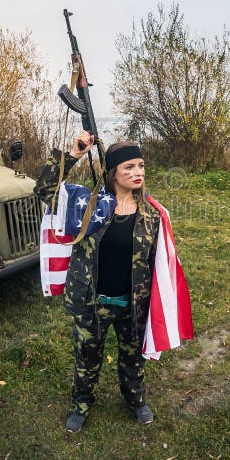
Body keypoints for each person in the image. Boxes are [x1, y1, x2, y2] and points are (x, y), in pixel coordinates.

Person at [34, 131, 162, 433]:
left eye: (140, 165)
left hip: (133, 304)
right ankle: (82, 403)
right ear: (113, 172)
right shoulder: (87, 205)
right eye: (129, 167)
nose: (137, 172)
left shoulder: (151, 215)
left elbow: (158, 263)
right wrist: (75, 154)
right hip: (91, 302)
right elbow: (44, 189)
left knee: (133, 359)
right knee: (86, 360)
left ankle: (135, 399)